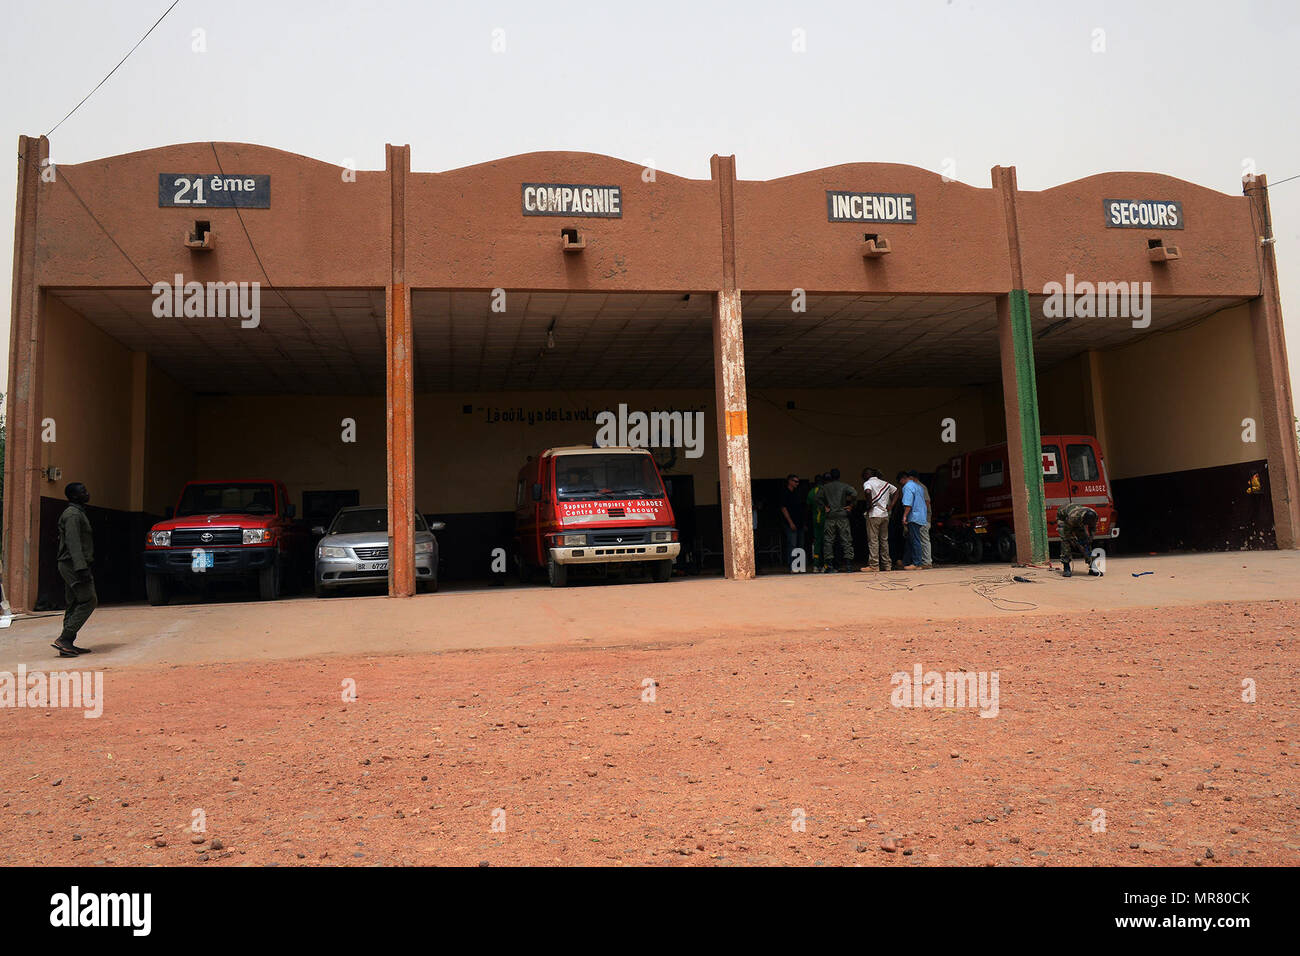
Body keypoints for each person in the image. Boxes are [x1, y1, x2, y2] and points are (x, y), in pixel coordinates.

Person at [53, 482, 96, 657]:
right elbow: (73, 543)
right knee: (88, 600)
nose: (87, 493)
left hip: (71, 564)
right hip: (72, 565)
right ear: (74, 496)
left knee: (73, 602)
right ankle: (65, 637)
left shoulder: (77, 513)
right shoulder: (72, 515)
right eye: (83, 491)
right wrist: (80, 567)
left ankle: (67, 645)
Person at [817, 468, 857, 572]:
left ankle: (829, 566)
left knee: (828, 541)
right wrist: (850, 506)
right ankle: (848, 565)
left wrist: (824, 507)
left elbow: (817, 498)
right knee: (846, 540)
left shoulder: (825, 487)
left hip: (830, 516)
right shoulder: (844, 486)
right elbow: (854, 494)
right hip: (842, 516)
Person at [859, 468, 897, 572]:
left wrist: (869, 504)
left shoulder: (868, 483)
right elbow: (896, 491)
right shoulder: (885, 483)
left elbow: (867, 491)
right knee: (884, 540)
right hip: (885, 514)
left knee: (873, 540)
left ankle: (874, 565)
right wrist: (891, 506)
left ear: (867, 475)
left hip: (874, 514)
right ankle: (887, 565)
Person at [1057, 503, 1102, 577]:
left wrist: (1090, 539)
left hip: (1077, 519)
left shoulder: (1094, 516)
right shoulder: (1073, 517)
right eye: (1085, 523)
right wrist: (1074, 542)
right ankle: (1066, 567)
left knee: (1085, 541)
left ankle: (1092, 567)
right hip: (1063, 518)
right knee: (1065, 541)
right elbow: (1067, 533)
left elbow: (1092, 529)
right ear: (1083, 519)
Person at [899, 471, 929, 571]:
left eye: (900, 482)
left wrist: (904, 516)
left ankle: (917, 563)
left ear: (902, 479)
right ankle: (906, 561)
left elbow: (908, 503)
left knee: (915, 539)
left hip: (914, 516)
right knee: (911, 540)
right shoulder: (919, 487)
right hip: (921, 515)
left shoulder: (907, 487)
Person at [779, 474, 805, 572]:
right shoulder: (785, 493)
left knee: (800, 545)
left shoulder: (797, 493)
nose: (797, 483)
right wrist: (790, 522)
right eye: (795, 481)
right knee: (792, 545)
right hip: (791, 523)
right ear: (789, 481)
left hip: (799, 523)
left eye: (798, 482)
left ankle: (800, 566)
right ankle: (792, 566)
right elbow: (783, 508)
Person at [908, 470, 934, 569]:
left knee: (924, 539)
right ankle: (925, 561)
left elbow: (927, 502)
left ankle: (927, 561)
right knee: (921, 539)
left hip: (923, 518)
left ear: (913, 478)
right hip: (920, 517)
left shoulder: (921, 487)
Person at [806, 473, 827, 572]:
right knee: (827, 542)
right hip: (826, 519)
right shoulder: (825, 490)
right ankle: (826, 565)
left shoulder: (811, 492)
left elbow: (808, 506)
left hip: (816, 520)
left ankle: (815, 565)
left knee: (817, 542)